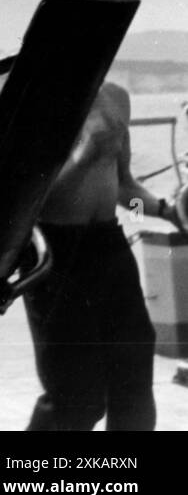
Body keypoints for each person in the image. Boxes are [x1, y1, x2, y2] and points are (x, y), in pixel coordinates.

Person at [24, 80, 184, 430]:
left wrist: (165, 208)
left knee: (134, 383)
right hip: (55, 252)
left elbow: (125, 186)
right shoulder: (35, 97)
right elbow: (24, 202)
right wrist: (83, 156)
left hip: (108, 244)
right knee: (74, 394)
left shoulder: (116, 97)